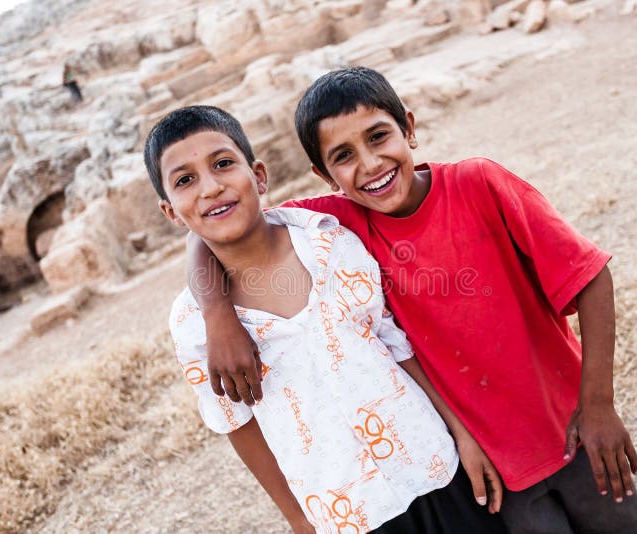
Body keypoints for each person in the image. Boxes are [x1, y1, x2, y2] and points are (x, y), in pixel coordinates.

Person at [186, 68, 637, 533]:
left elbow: (590, 279)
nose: (369, 164)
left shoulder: (479, 184)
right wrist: (217, 315)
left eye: (378, 136)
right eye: (343, 156)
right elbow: (220, 224)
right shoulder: (341, 224)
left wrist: (599, 405)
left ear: (409, 128)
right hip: (497, 468)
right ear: (325, 176)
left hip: (576, 430)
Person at [144, 105, 508, 533]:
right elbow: (236, 423)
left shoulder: (328, 238)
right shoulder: (193, 323)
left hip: (432, 465)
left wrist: (460, 434)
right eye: (185, 180)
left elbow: (394, 342)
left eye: (223, 163)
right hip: (348, 512)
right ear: (171, 212)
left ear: (259, 175)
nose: (211, 187)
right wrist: (299, 520)